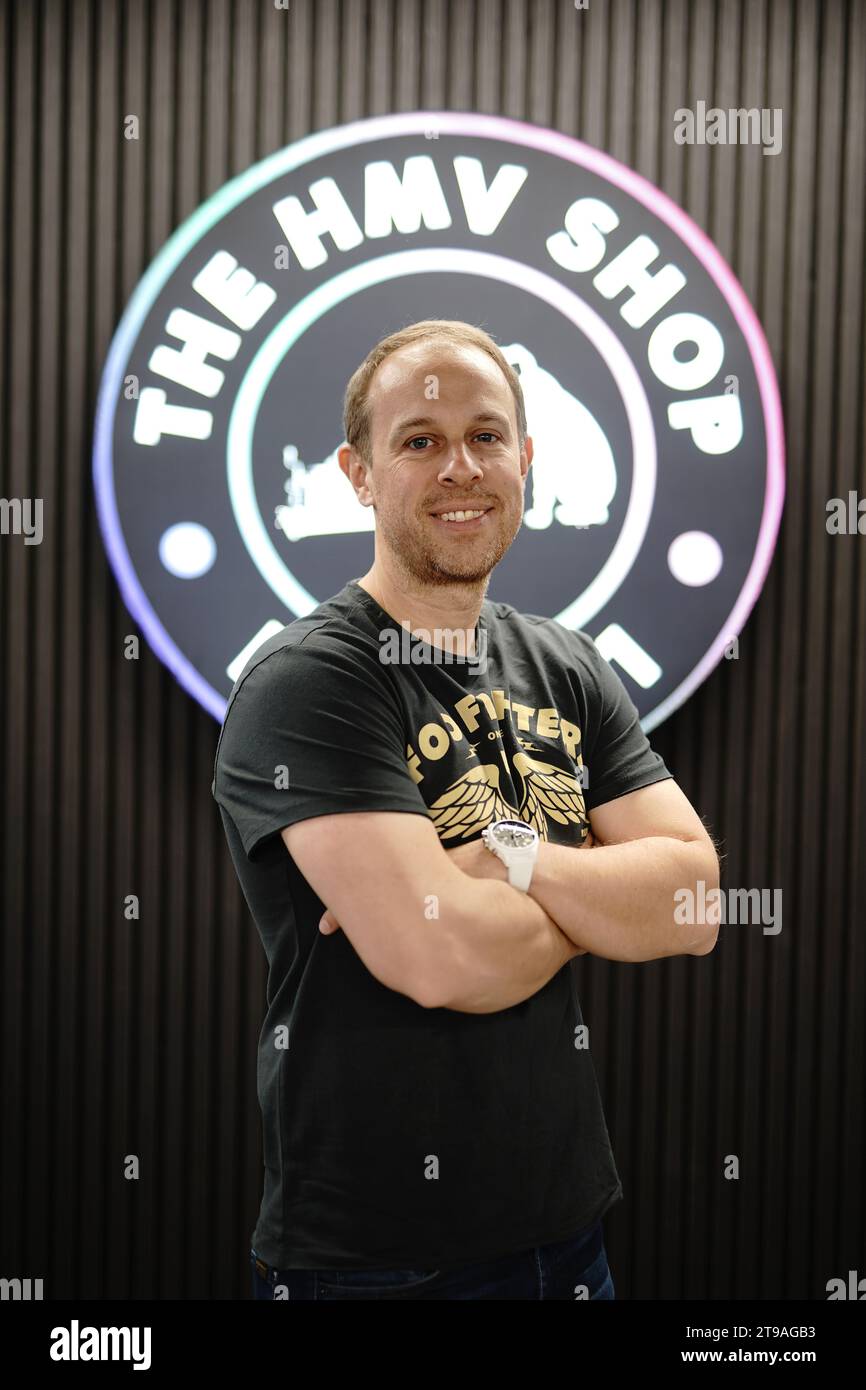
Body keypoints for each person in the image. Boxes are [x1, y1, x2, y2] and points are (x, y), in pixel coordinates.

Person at [212, 319, 721, 1301]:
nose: (461, 467)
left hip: (567, 1231)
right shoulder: (311, 679)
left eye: (486, 436)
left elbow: (694, 902)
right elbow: (437, 958)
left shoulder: (565, 661)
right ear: (357, 473)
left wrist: (519, 864)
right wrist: (598, 899)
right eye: (419, 441)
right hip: (379, 1263)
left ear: (524, 460)